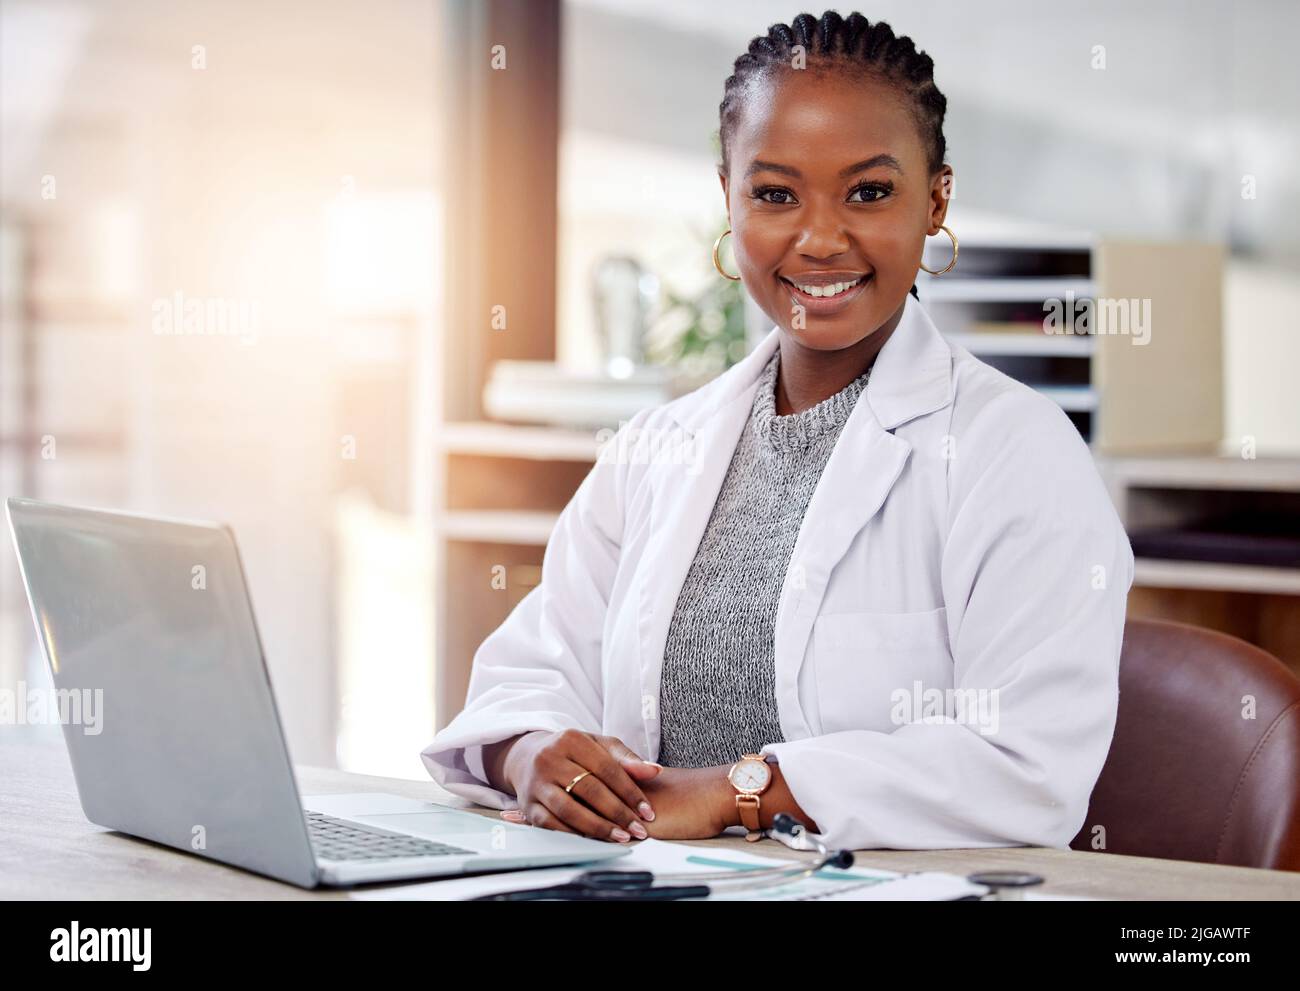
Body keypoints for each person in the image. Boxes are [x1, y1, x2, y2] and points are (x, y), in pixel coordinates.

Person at [421, 10, 1134, 852]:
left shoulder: (1014, 452)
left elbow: (1027, 767)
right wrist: (534, 754)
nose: (821, 239)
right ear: (728, 196)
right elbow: (529, 672)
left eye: (869, 192)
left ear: (937, 198)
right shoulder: (658, 448)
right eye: (774, 193)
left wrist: (740, 793)